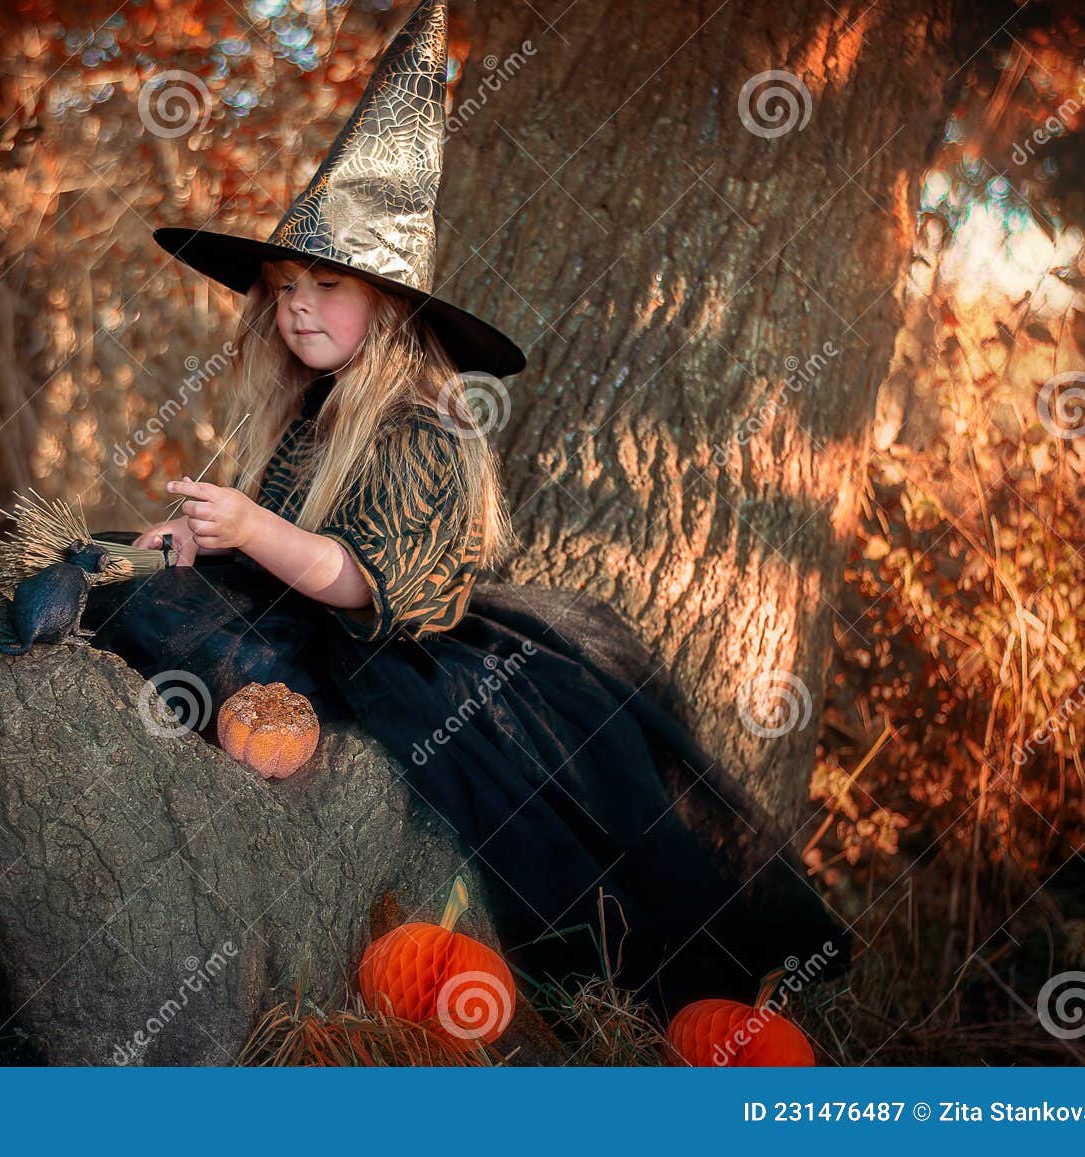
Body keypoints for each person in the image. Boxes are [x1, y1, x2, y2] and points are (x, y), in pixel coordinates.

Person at [78, 0, 852, 1021]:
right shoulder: (312, 415)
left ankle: (624, 984)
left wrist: (255, 532)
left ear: (390, 305)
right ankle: (232, 697)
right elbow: (263, 549)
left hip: (402, 652)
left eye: (324, 284)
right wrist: (199, 535)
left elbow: (363, 582)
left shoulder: (418, 425)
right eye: (279, 287)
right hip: (306, 622)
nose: (295, 305)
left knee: (540, 822)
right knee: (119, 568)